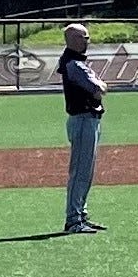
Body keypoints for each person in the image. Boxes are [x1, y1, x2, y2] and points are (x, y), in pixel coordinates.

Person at [56, 21, 106, 235]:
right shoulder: (73, 64)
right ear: (73, 40)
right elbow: (97, 87)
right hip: (83, 119)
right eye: (83, 38)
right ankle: (73, 220)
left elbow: (99, 88)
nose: (87, 41)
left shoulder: (77, 61)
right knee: (80, 172)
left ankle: (81, 214)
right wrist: (99, 87)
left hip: (89, 118)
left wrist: (99, 88)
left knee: (86, 171)